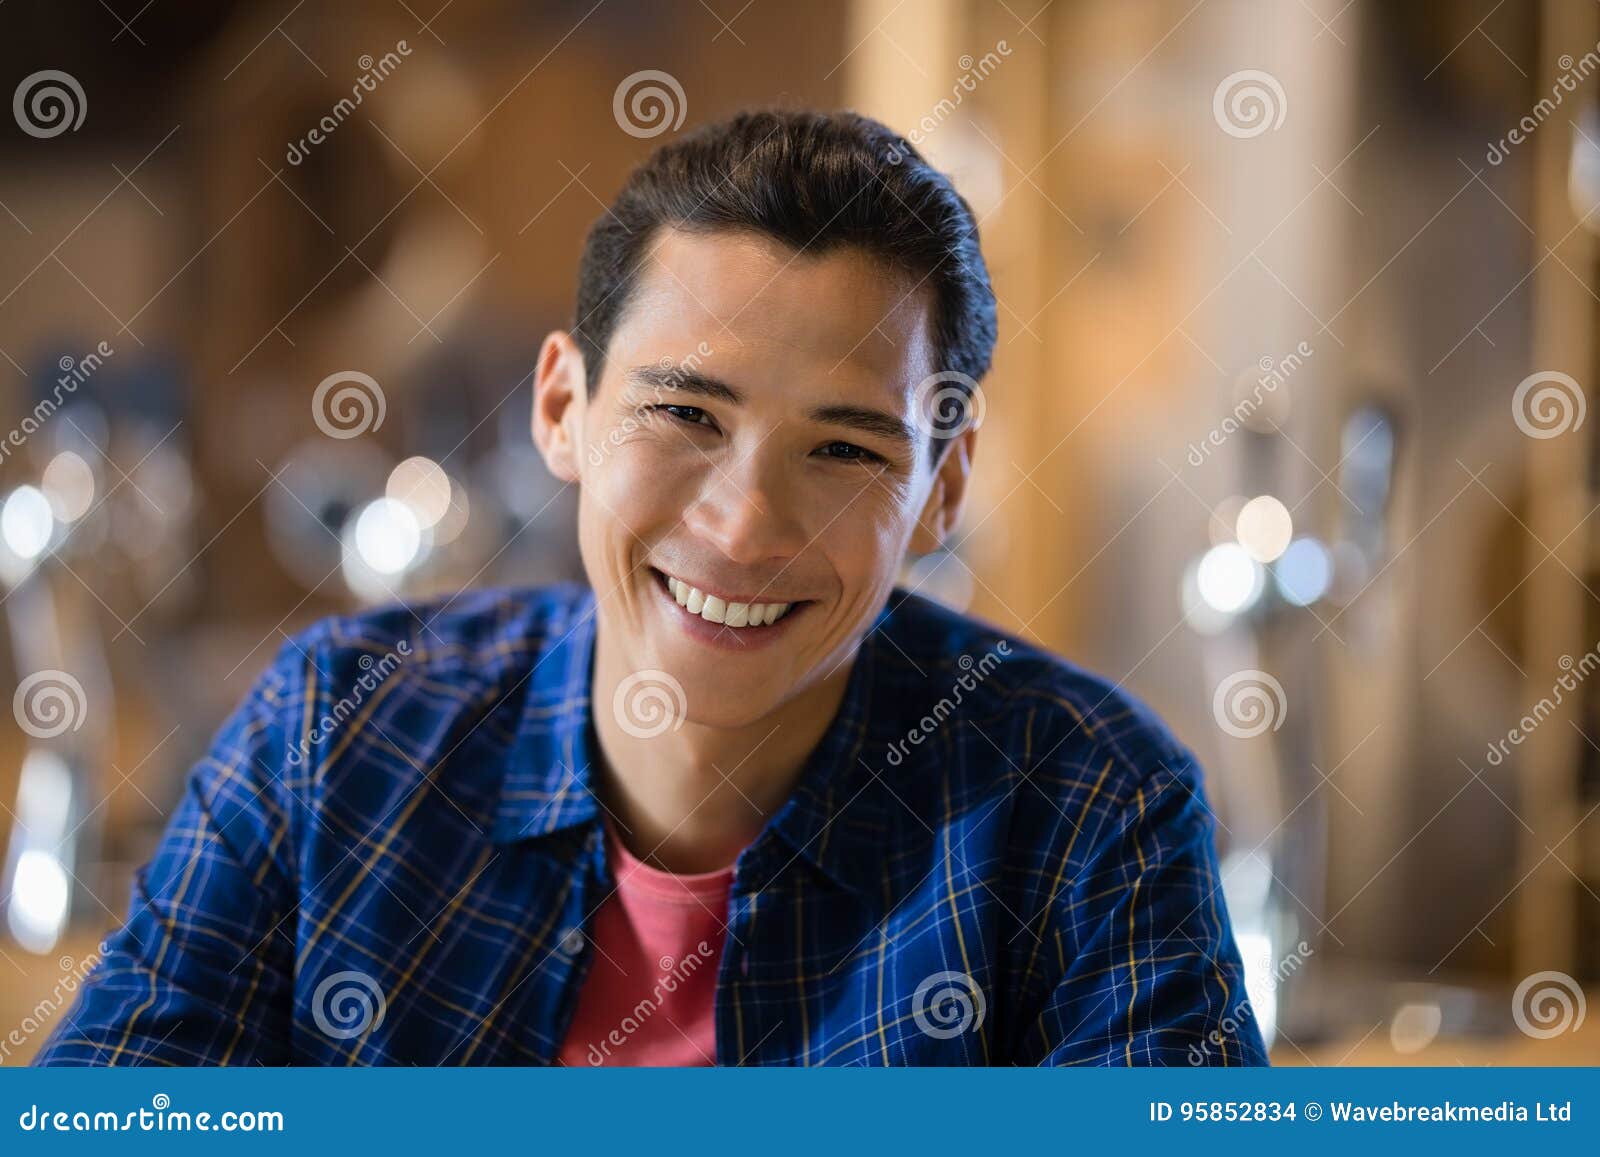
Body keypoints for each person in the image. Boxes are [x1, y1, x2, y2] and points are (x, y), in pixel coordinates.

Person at [35, 108, 1267, 1066]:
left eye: (843, 448)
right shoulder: (332, 731)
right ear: (563, 407)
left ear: (943, 487)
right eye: (684, 413)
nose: (741, 527)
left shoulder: (1090, 805)